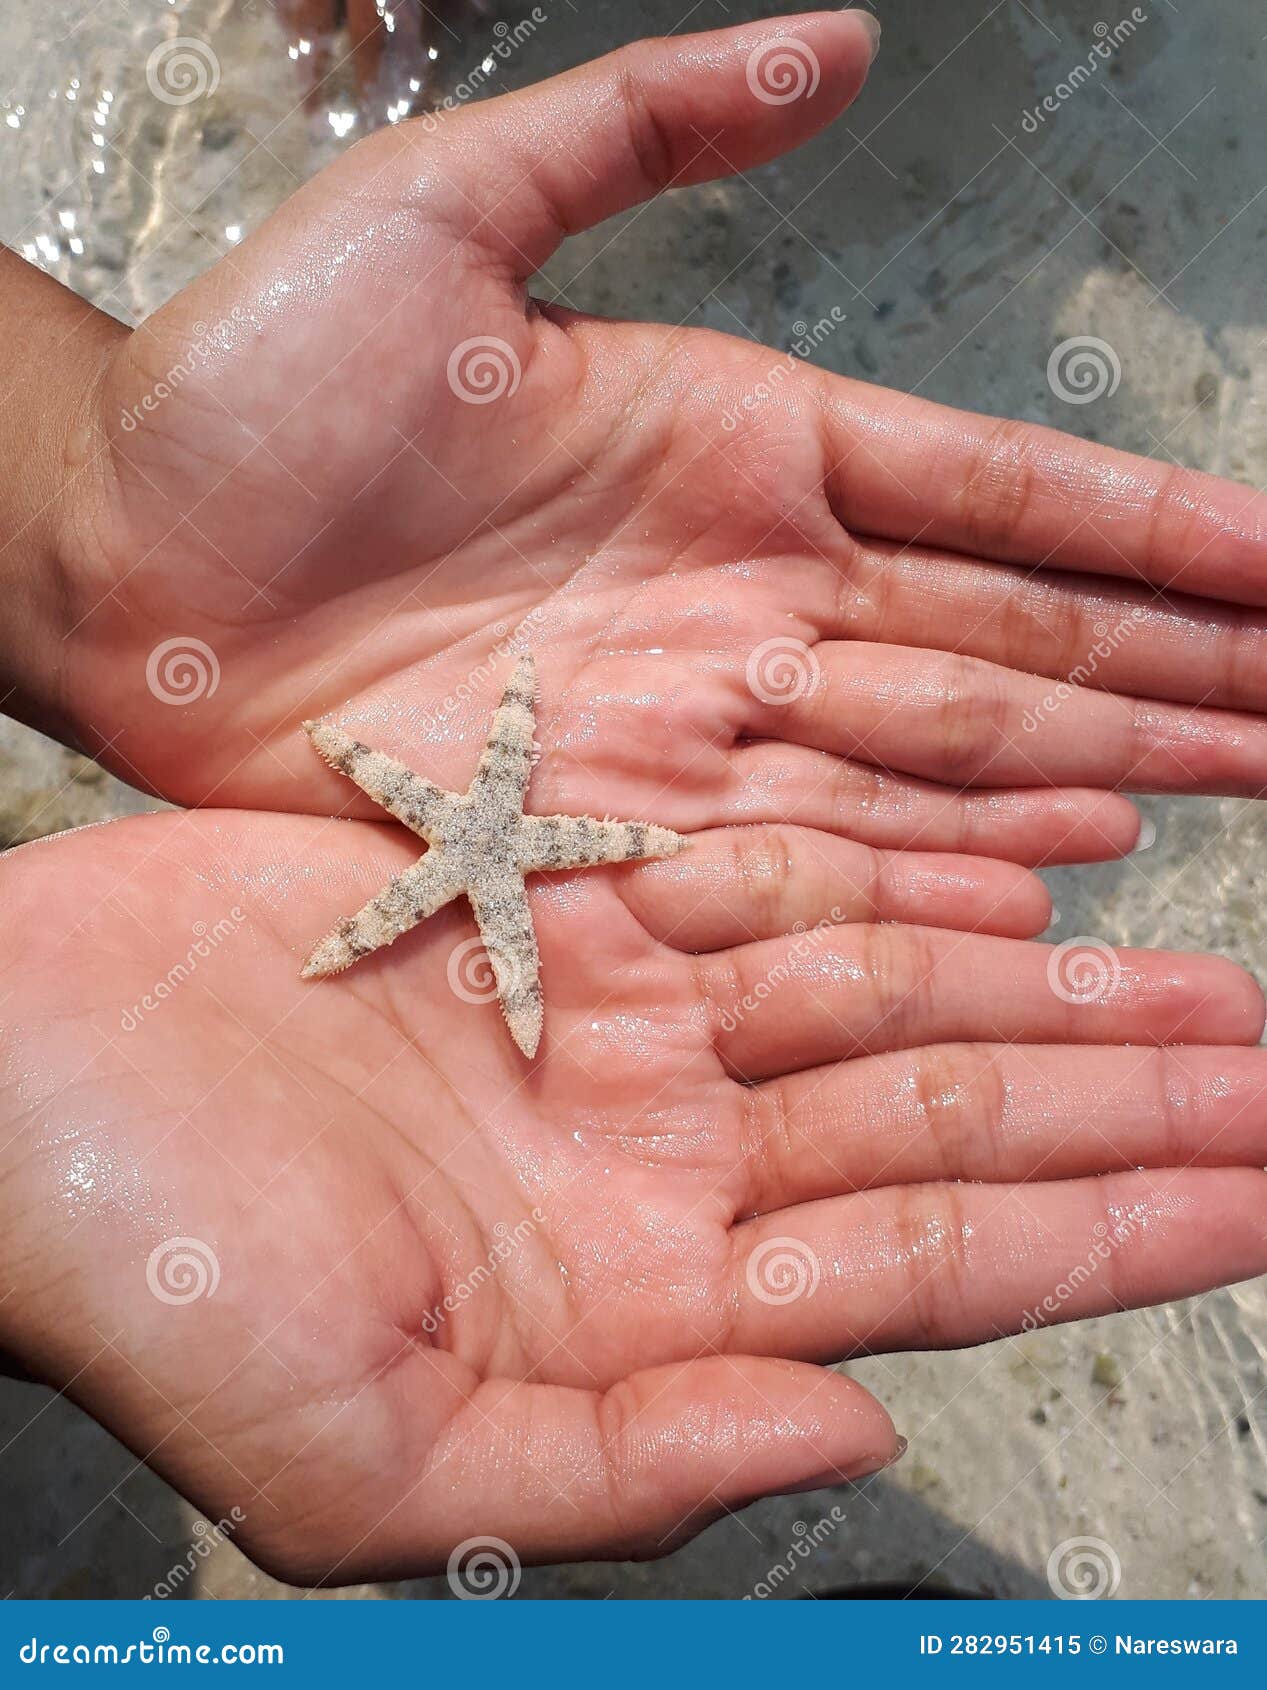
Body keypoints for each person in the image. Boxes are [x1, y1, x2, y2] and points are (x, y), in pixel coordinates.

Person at [1, 9, 1266, 1586]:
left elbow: (502, 813)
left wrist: (80, 511)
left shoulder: (487, 831)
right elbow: (474, 821)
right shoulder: (466, 837)